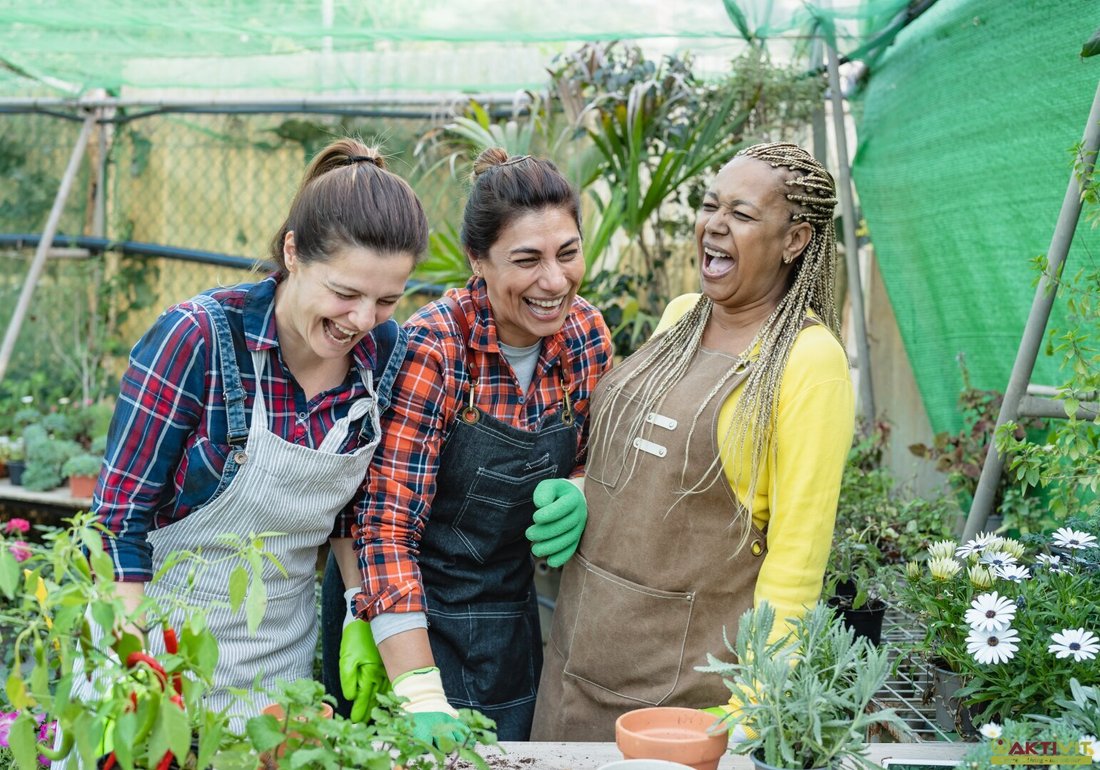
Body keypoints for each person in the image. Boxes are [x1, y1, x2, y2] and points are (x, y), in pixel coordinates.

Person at [76, 139, 428, 734]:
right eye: (345, 293)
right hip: (150, 653)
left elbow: (350, 513)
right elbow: (117, 520)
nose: (363, 320)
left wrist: (361, 616)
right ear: (293, 252)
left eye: (387, 299)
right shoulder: (199, 340)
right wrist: (133, 672)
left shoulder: (383, 356)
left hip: (277, 681)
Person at [530, 141, 856, 741]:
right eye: (711, 206)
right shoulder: (682, 317)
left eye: (743, 213)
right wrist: (582, 489)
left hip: (682, 698)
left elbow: (796, 562)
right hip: (578, 659)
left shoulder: (809, 362)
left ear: (795, 240)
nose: (715, 225)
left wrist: (758, 708)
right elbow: (636, 465)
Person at [320, 148, 613, 741]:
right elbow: (385, 523)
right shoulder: (437, 348)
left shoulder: (586, 336)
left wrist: (584, 489)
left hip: (506, 607)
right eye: (526, 260)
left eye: (568, 253)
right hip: (398, 605)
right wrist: (417, 685)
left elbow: (594, 458)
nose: (554, 282)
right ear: (478, 260)